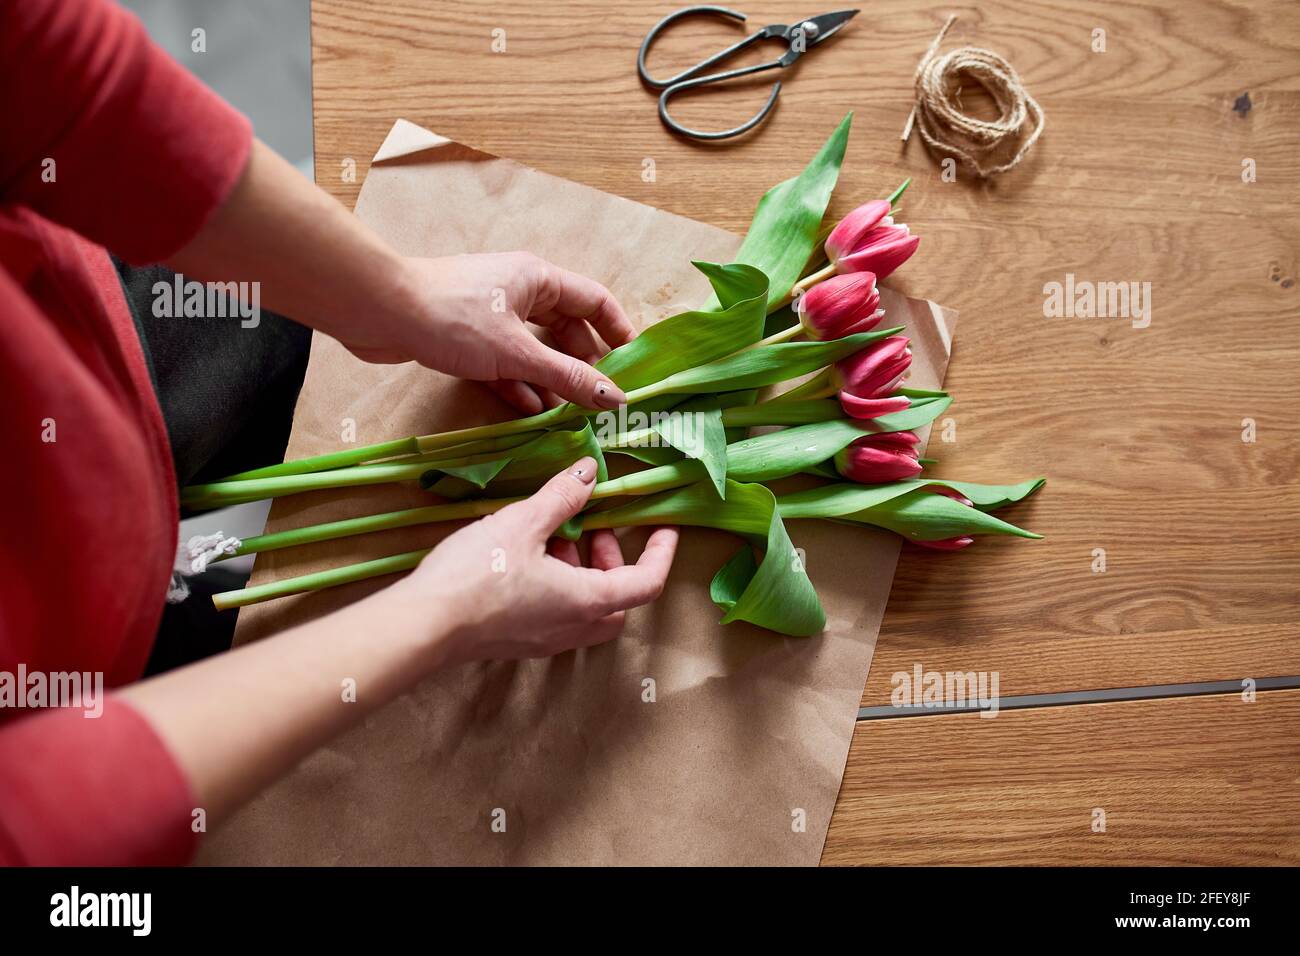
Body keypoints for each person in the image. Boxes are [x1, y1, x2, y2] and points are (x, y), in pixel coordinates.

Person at [0, 0, 678, 865]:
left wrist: (398, 298)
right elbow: (30, 824)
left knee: (287, 378)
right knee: (278, 644)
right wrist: (442, 618)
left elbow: (55, 75)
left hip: (73, 338)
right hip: (71, 705)